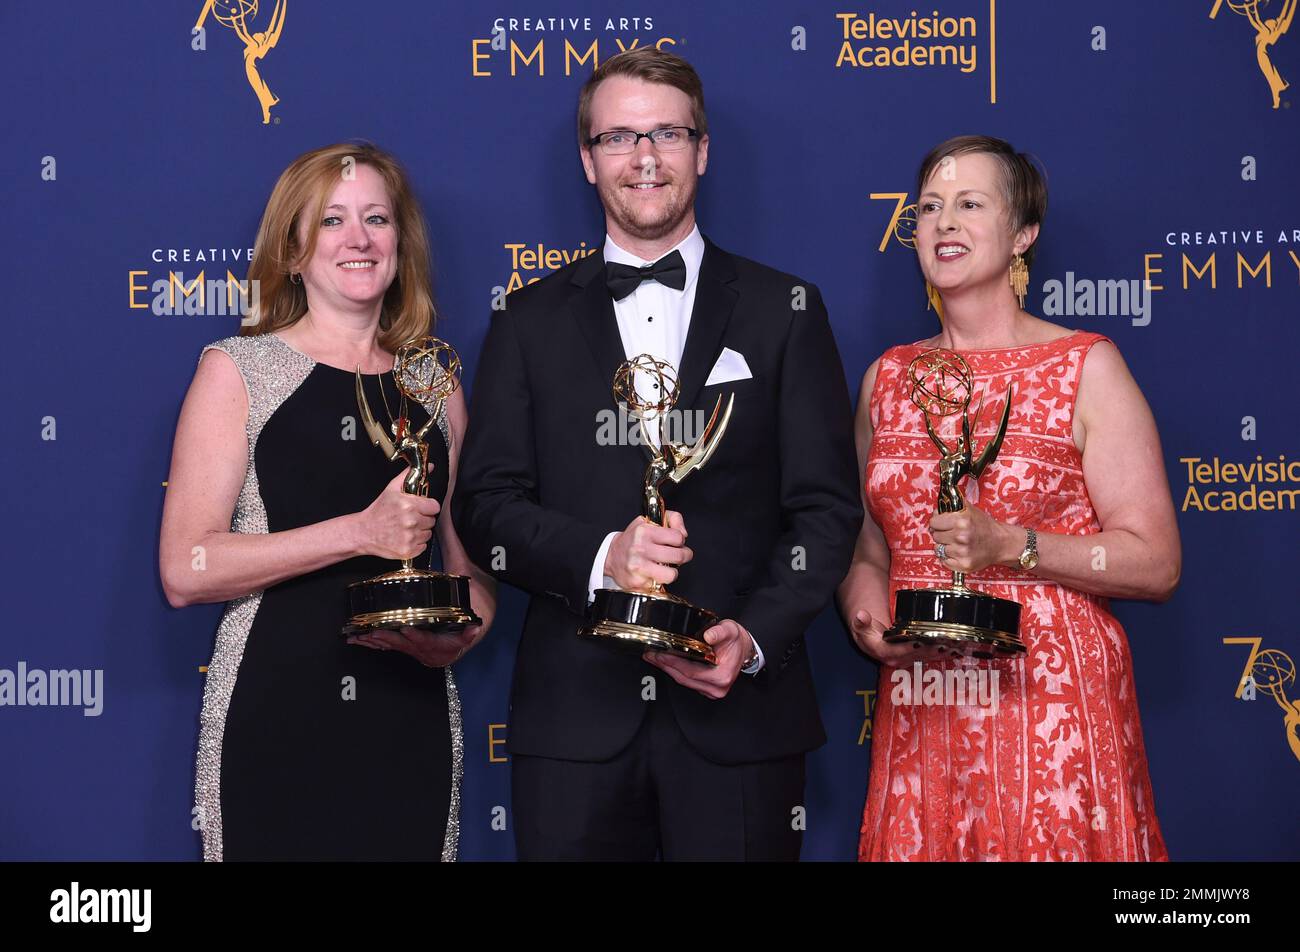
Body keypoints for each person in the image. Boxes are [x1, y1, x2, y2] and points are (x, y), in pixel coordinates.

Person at [453, 46, 862, 861]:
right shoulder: (525, 322)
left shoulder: (786, 310)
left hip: (740, 720)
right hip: (575, 724)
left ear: (702, 151)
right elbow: (486, 504)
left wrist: (751, 636)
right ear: (587, 159)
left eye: (667, 134)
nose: (644, 158)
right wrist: (604, 555)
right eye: (618, 138)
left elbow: (825, 508)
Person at [840, 135, 1180, 861]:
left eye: (969, 204)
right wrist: (864, 609)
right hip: (927, 707)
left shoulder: (1087, 367)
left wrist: (1013, 547)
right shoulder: (888, 379)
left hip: (1053, 703)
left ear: (1024, 232)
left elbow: (1155, 563)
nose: (943, 223)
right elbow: (870, 547)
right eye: (929, 208)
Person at [160, 142, 495, 861]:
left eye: (376, 218)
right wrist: (357, 532)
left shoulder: (437, 388)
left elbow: (472, 575)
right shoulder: (238, 370)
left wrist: (460, 636)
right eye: (333, 220)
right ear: (291, 248)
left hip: (410, 715)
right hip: (273, 708)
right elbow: (186, 569)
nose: (359, 239)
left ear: (401, 245)